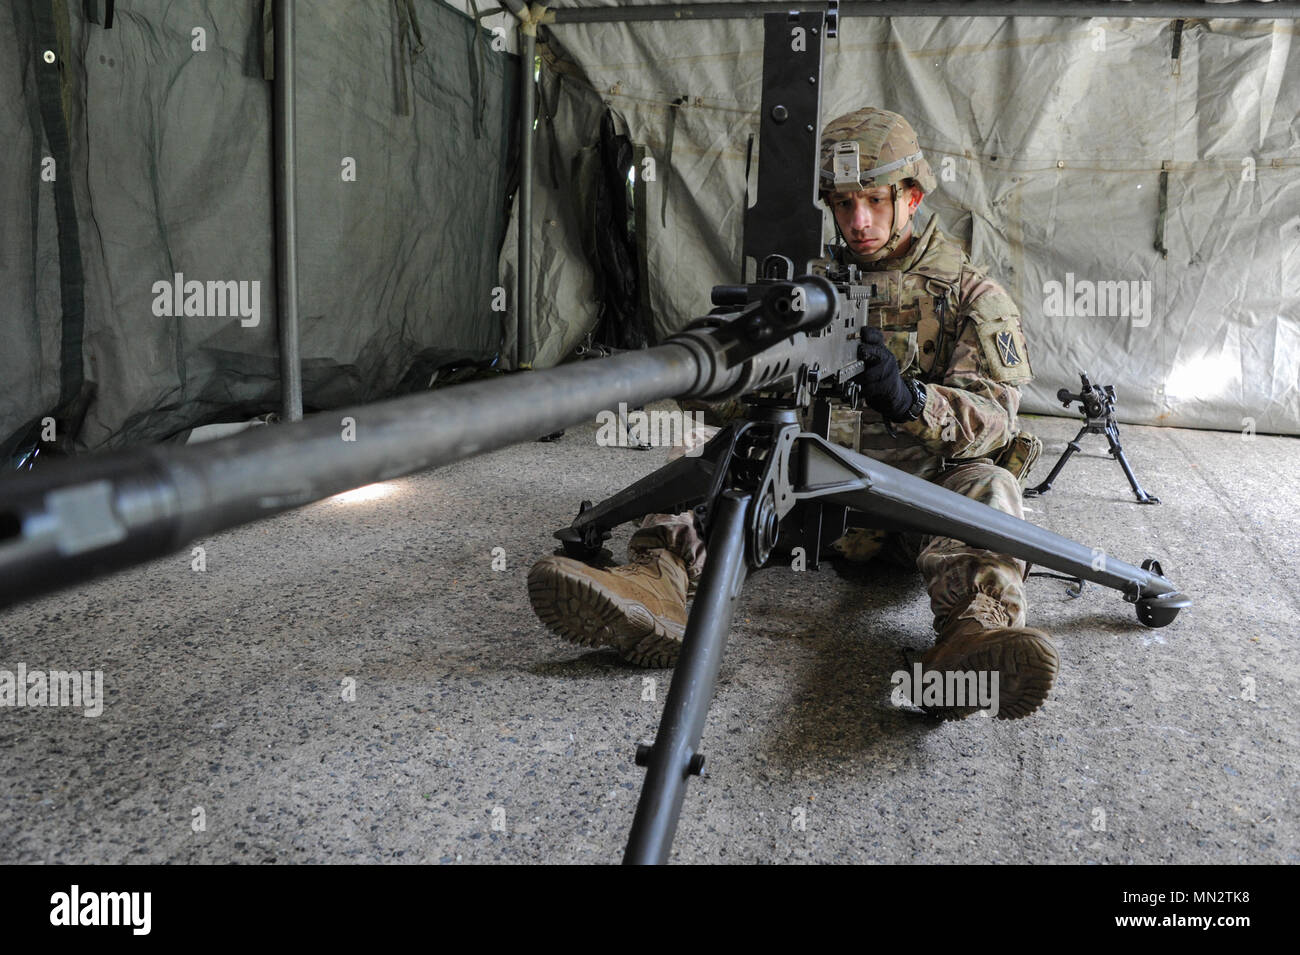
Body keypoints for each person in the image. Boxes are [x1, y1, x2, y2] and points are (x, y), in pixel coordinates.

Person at [527, 107, 1057, 720]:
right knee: (720, 460)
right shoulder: (809, 287)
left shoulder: (970, 295)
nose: (857, 222)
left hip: (920, 499)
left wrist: (907, 397)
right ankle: (656, 585)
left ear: (911, 195)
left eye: (874, 201)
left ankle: (974, 637)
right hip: (804, 494)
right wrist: (716, 373)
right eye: (841, 204)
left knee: (992, 486)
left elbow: (996, 418)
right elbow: (748, 400)